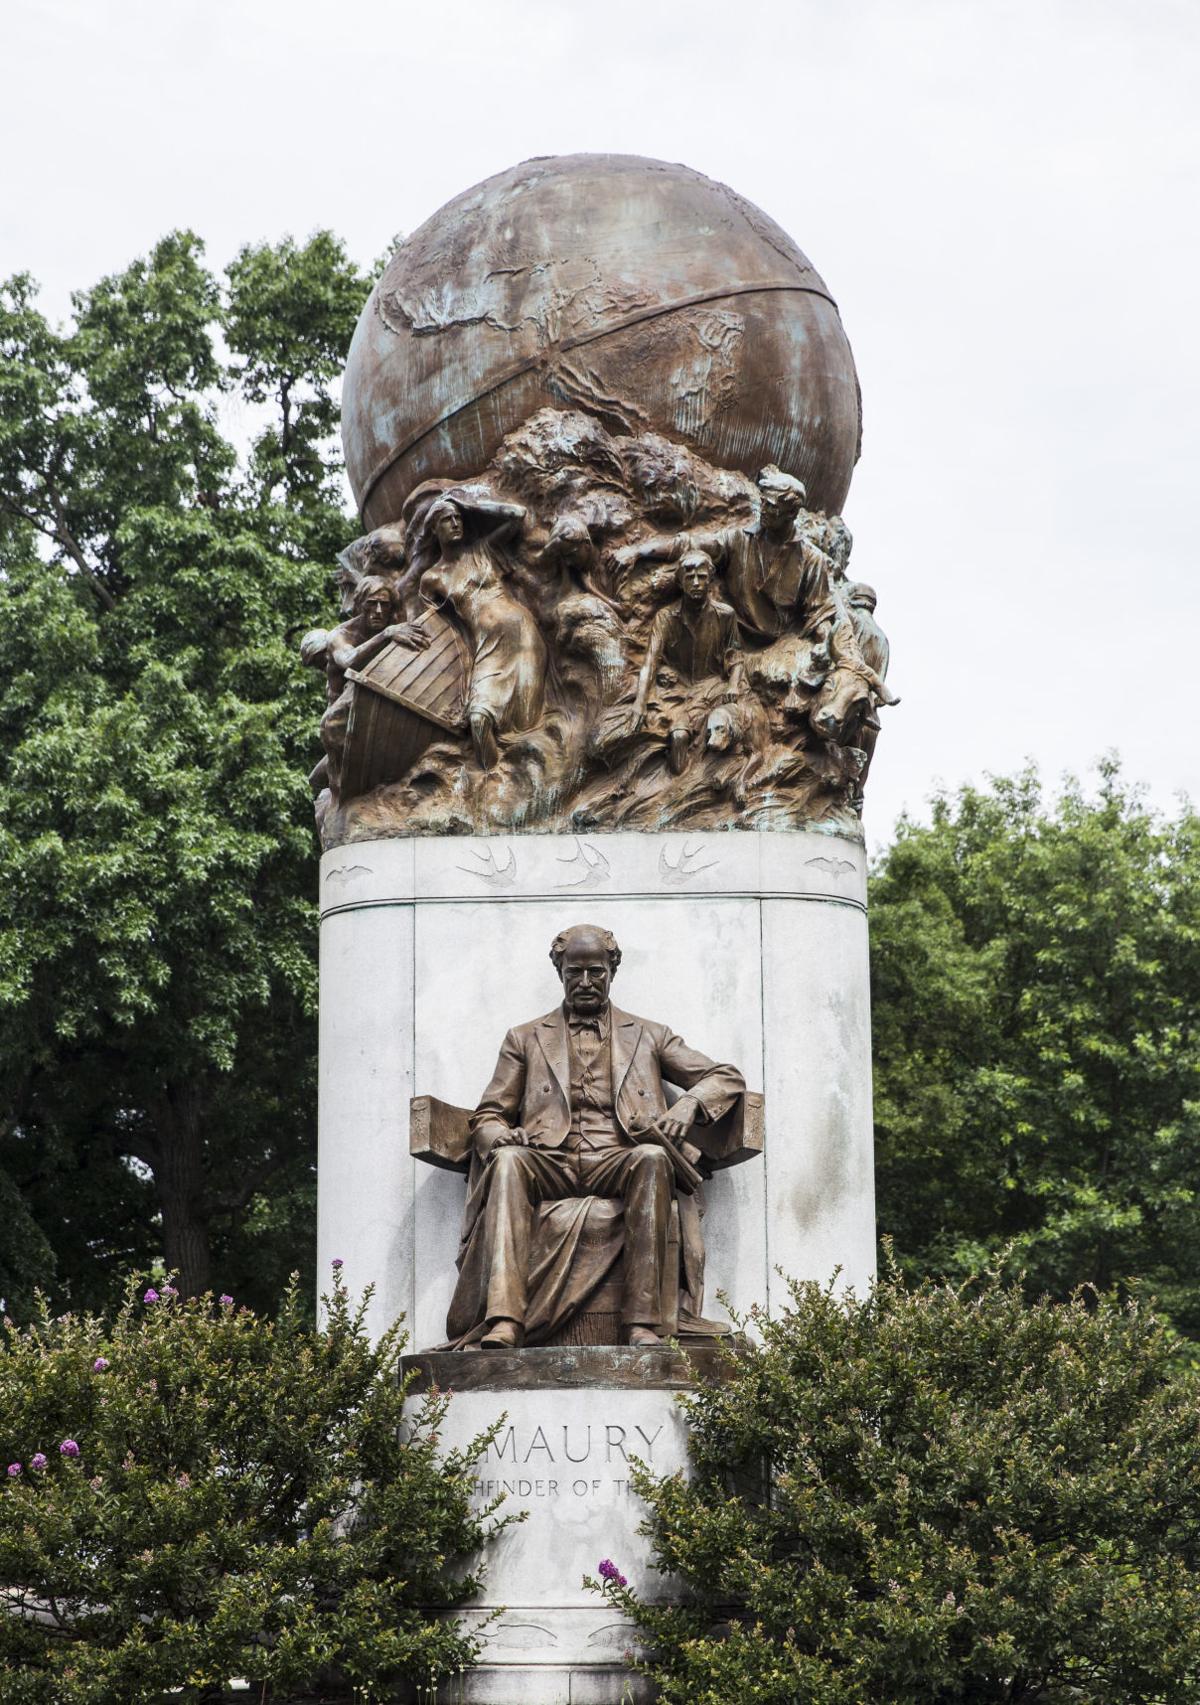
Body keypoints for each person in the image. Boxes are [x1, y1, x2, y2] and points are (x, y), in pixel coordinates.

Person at [450, 924, 745, 1349]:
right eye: (575, 972)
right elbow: (489, 1114)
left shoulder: (649, 1034)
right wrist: (499, 1138)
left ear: (612, 970)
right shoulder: (525, 1037)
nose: (586, 982)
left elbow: (725, 1077)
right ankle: (505, 1321)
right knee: (510, 1162)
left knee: (651, 1158)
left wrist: (688, 1104)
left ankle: (642, 1324)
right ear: (560, 973)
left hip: (618, 1158)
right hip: (549, 1160)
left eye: (596, 972)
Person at [417, 494, 547, 772]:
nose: (455, 523)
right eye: (446, 520)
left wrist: (468, 504)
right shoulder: (432, 579)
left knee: (527, 724)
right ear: (434, 530)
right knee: (478, 720)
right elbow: (433, 628)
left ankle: (520, 786)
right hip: (487, 648)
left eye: (458, 519)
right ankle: (492, 776)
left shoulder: (483, 550)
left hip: (523, 637)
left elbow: (518, 514)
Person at [629, 549, 746, 775]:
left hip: (711, 689)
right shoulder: (665, 617)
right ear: (680, 582)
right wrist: (640, 702)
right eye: (689, 578)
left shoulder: (725, 615)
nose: (696, 583)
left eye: (701, 577)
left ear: (710, 580)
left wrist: (733, 684)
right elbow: (650, 661)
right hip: (677, 690)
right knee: (679, 737)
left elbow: (736, 656)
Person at [312, 575, 430, 794]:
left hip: (380, 711)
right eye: (371, 603)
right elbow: (349, 661)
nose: (378, 610)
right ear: (359, 605)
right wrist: (386, 635)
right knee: (320, 781)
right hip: (341, 722)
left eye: (384, 605)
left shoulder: (397, 626)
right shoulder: (340, 635)